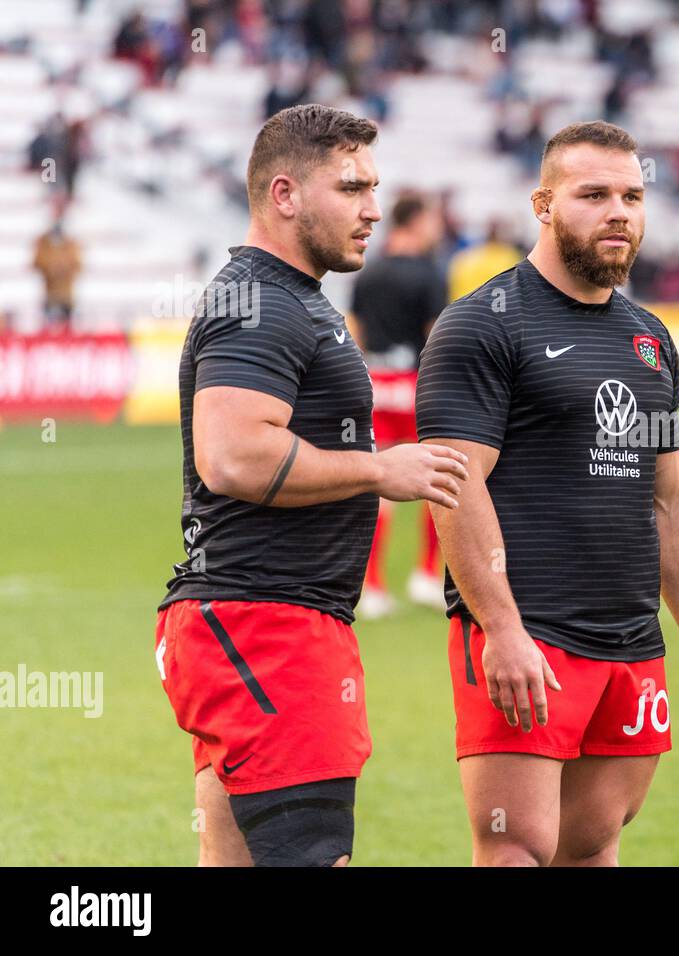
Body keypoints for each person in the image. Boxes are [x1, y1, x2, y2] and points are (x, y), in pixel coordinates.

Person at [415, 121, 679, 866]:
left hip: (631, 643)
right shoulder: (481, 325)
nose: (619, 212)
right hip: (531, 637)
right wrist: (503, 629)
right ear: (543, 204)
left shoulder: (649, 338)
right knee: (517, 848)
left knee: (592, 849)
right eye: (594, 195)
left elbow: (673, 497)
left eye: (633, 196)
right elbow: (453, 486)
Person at [154, 104, 468, 867]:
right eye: (352, 186)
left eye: (376, 187)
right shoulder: (260, 300)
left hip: (259, 620)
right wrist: (378, 469)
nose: (373, 208)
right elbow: (230, 457)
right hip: (266, 628)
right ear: (286, 194)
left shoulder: (295, 298)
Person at [350, 193, 450, 617]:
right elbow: (437, 333)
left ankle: (371, 586)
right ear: (416, 220)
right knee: (437, 477)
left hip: (376, 384)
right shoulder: (429, 274)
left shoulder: (367, 273)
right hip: (416, 385)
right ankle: (427, 575)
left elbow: (354, 329)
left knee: (375, 485)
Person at [32, 220, 82, 326]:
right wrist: (51, 268)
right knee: (48, 324)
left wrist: (62, 268)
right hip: (49, 294)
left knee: (66, 325)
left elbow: (77, 265)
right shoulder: (44, 244)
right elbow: (36, 263)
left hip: (66, 294)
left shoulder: (70, 245)